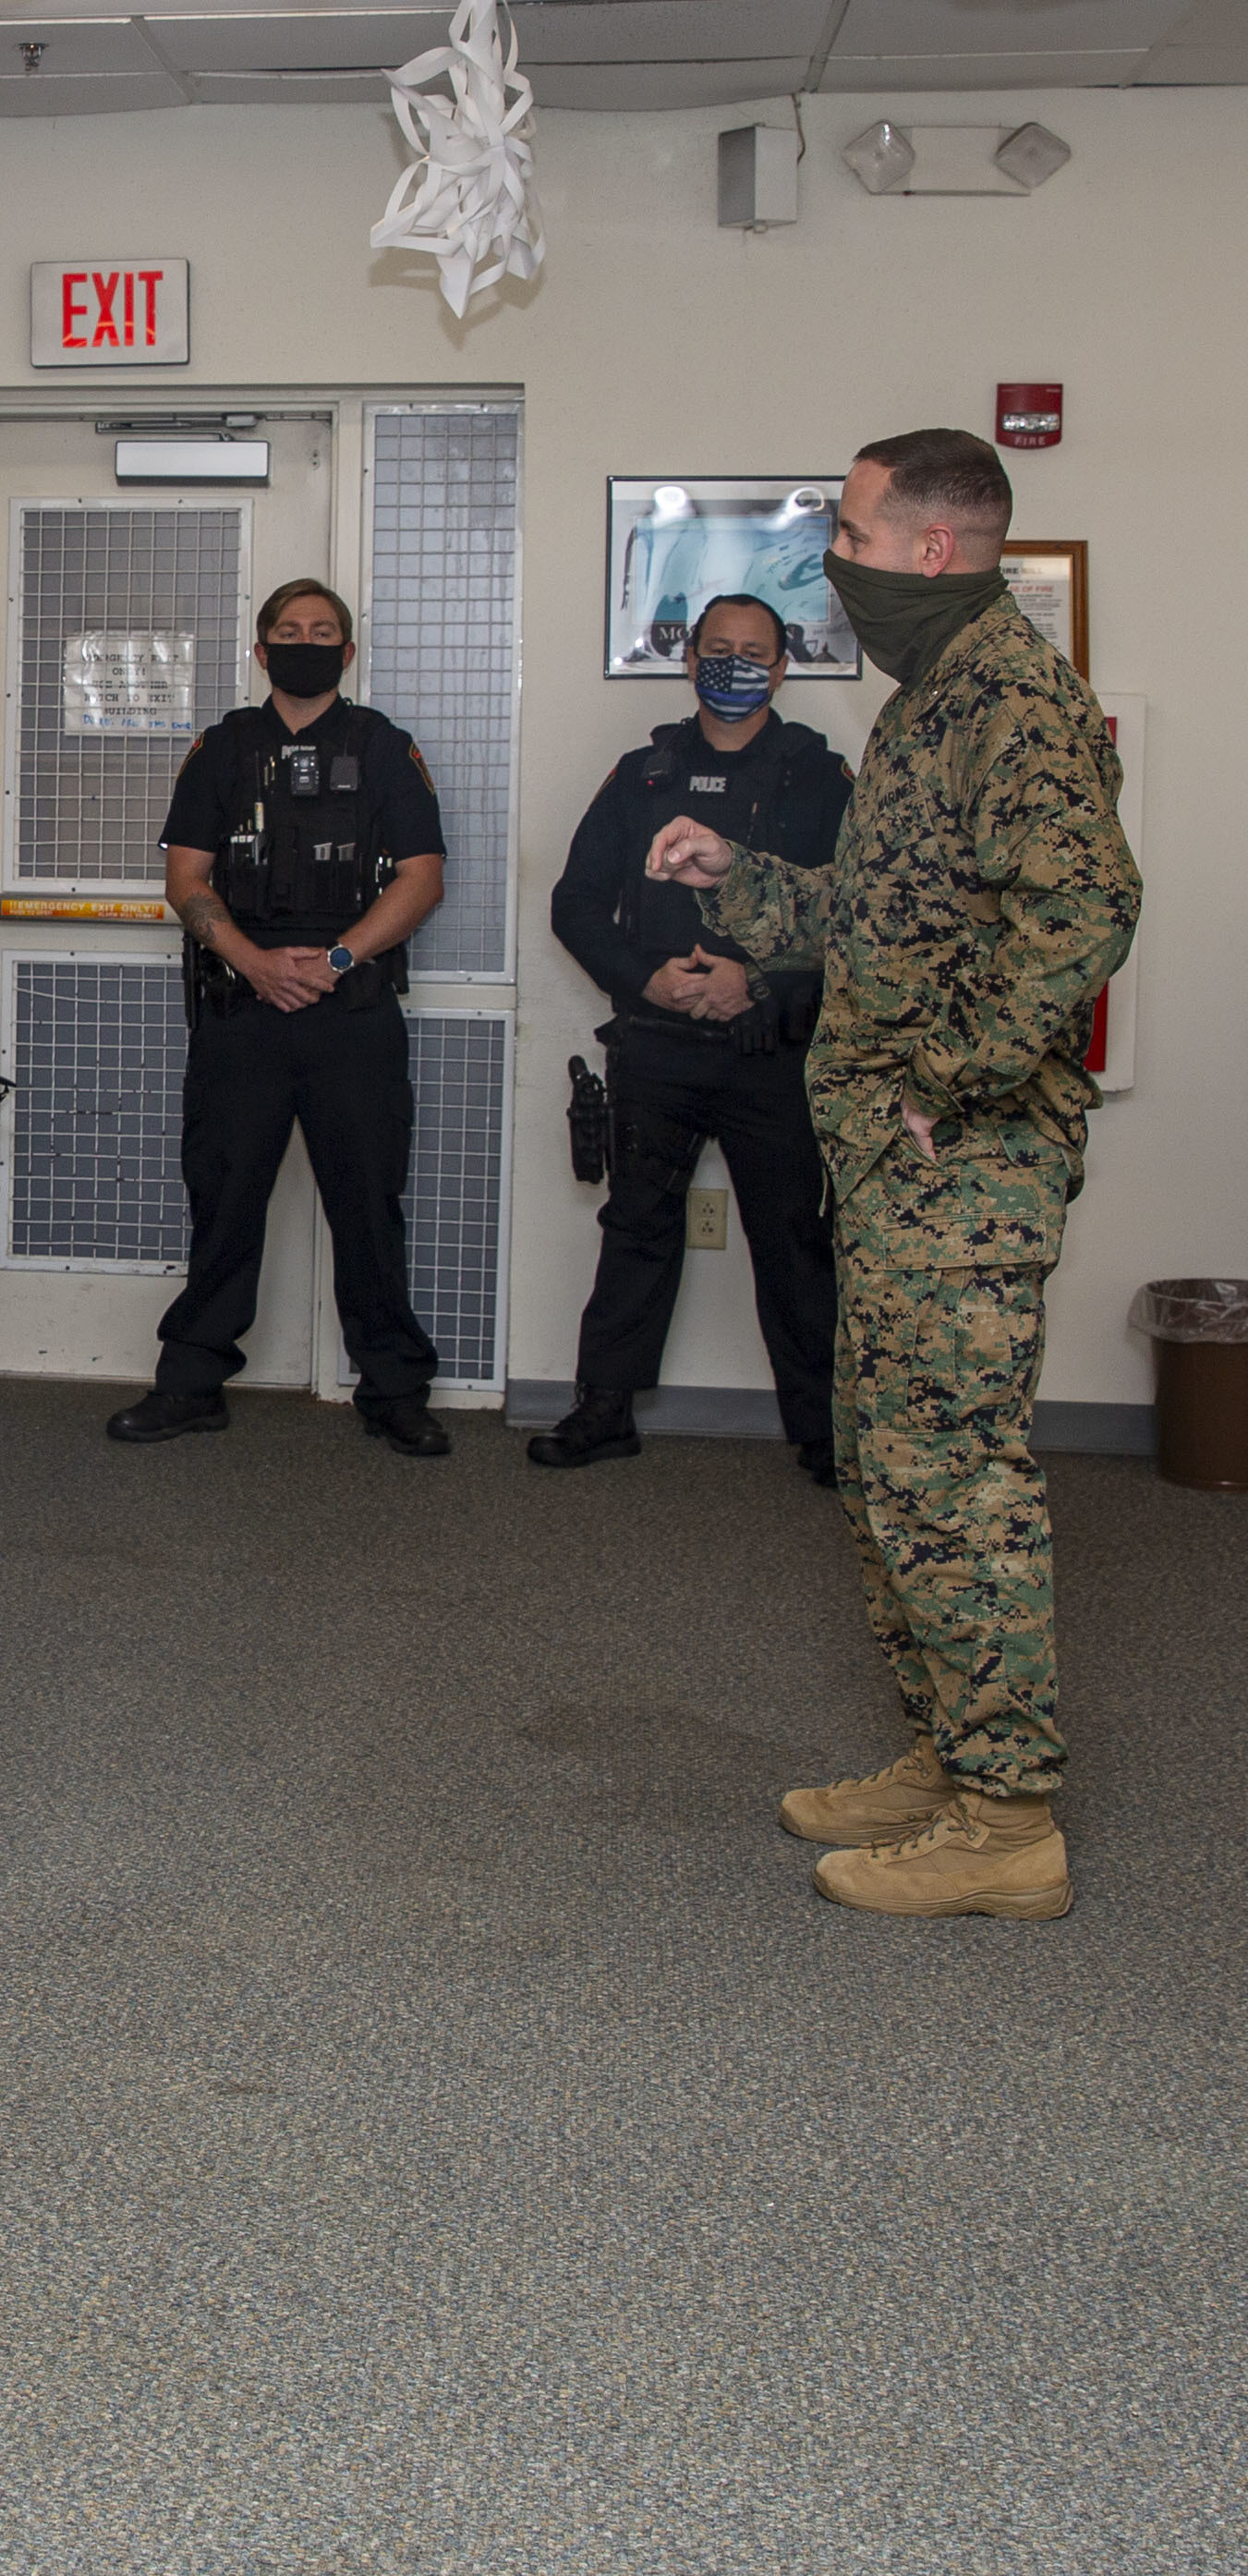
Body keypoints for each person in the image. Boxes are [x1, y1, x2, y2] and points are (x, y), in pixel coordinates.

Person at [647, 428, 1138, 1923]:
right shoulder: (932, 704)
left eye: (850, 534)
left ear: (933, 548)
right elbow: (881, 923)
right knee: (886, 1461)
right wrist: (725, 878)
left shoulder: (1012, 705)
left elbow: (1084, 915)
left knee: (950, 1476)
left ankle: (1006, 1819)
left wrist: (951, 1075)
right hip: (891, 1155)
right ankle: (947, 1752)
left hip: (958, 1160)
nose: (832, 560)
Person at [109, 579, 454, 1457]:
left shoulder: (383, 748)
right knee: (222, 1199)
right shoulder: (221, 749)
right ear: (261, 652)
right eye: (288, 631)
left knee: (368, 1204)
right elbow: (185, 878)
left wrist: (333, 961)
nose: (307, 642)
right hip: (242, 1009)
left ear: (347, 652)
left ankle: (393, 1388)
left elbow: (421, 879)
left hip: (353, 1011)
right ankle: (190, 1382)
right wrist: (258, 964)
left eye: (324, 632)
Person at [537, 593, 853, 1479]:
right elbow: (573, 903)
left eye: (754, 651)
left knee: (794, 1240)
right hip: (656, 1043)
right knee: (635, 1224)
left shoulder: (822, 777)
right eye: (718, 648)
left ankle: (823, 1433)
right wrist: (648, 978)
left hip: (774, 1048)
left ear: (783, 667)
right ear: (688, 660)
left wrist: (750, 981)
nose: (734, 663)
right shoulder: (643, 772)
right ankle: (603, 1408)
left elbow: (859, 917)